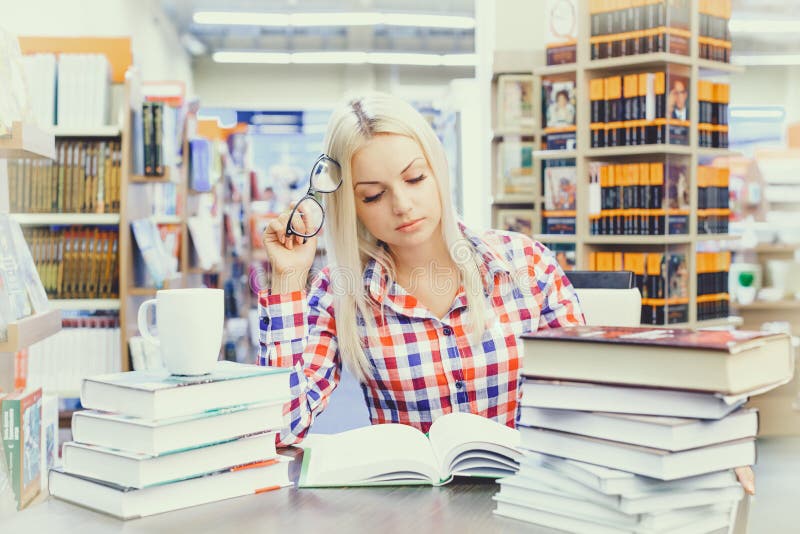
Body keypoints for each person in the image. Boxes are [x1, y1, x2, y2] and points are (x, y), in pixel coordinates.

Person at [258, 91, 755, 496]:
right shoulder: (341, 293)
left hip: (535, 497)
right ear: (352, 205)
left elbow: (598, 390)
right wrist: (287, 282)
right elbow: (281, 430)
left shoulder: (524, 265)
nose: (403, 204)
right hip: (409, 512)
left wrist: (702, 451)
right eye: (373, 195)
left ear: (439, 170)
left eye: (415, 178)